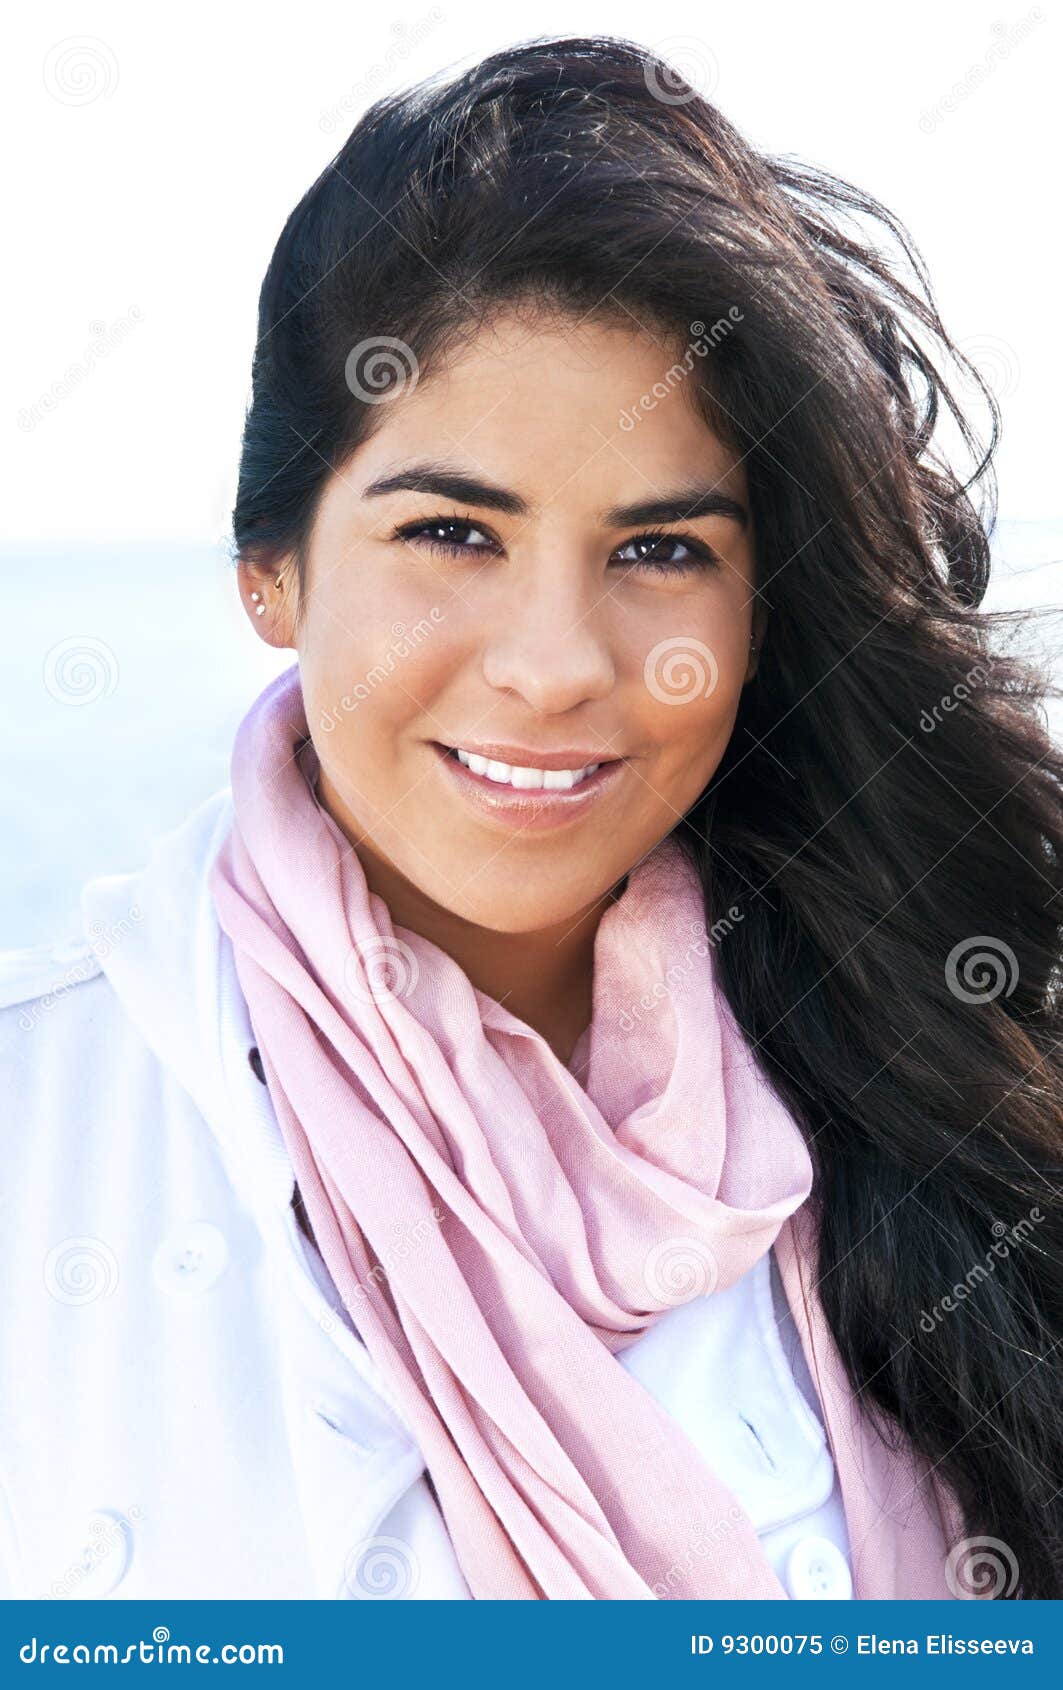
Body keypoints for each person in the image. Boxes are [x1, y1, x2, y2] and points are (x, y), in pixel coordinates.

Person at [2, 33, 1061, 1602]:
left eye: (660, 552)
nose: (558, 665)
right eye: (450, 530)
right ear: (271, 573)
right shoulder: (46, 1131)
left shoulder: (949, 1075)